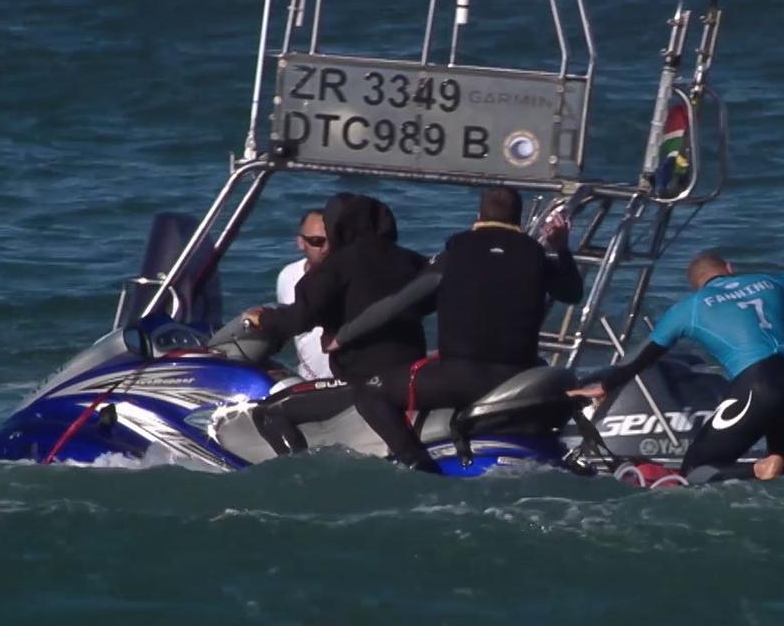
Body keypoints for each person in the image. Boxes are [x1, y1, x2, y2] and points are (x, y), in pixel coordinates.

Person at [339, 186, 583, 473]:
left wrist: (344, 336)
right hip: (517, 377)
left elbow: (397, 304)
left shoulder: (453, 253)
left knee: (371, 392)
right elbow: (573, 293)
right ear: (518, 220)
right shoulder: (537, 255)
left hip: (458, 378)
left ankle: (417, 462)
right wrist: (561, 248)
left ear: (478, 217)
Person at [572, 251, 784, 482]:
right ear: (729, 268)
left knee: (696, 469)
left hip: (756, 384)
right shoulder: (774, 282)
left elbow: (642, 358)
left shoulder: (690, 308)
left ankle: (758, 468)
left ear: (696, 284)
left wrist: (605, 385)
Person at [239, 192, 429, 452]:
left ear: (336, 225)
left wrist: (264, 318)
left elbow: (301, 317)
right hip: (410, 376)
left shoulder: (337, 266)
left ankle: (301, 469)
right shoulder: (412, 261)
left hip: (363, 382)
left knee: (269, 412)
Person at [274, 208, 332, 380]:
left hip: (349, 382)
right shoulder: (288, 275)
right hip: (308, 381)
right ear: (301, 242)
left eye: (333, 240)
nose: (326, 248)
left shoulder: (354, 277)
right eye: (317, 241)